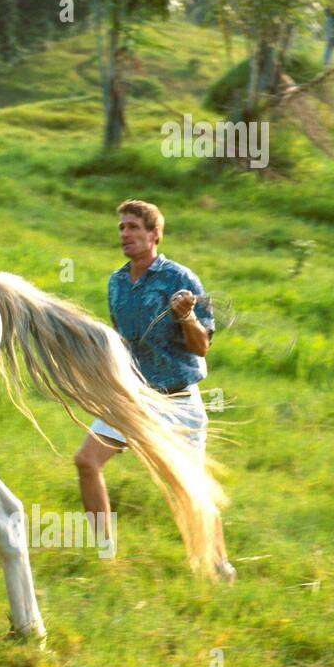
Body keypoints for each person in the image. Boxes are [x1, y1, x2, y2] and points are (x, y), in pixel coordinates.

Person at [72, 199, 235, 580]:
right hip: (131, 396)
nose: (125, 234)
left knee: (189, 491)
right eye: (121, 228)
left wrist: (187, 317)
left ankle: (219, 566)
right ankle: (105, 554)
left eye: (133, 227)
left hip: (176, 399)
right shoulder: (116, 281)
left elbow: (201, 346)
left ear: (154, 234)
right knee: (86, 462)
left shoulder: (182, 280)